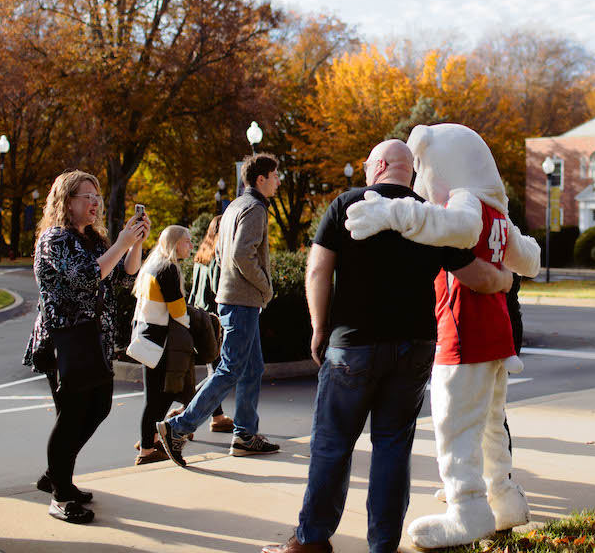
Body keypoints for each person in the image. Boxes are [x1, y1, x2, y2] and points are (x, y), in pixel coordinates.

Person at [261, 139, 513, 553]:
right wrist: (506, 278)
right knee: (393, 446)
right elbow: (479, 277)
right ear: (408, 172)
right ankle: (383, 544)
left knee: (332, 445)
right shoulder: (431, 218)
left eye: (367, 164)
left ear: (379, 166)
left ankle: (311, 540)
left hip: (351, 345)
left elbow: (318, 270)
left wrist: (319, 327)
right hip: (414, 348)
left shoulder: (346, 204)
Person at [23, 170, 149, 524]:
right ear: (67, 202)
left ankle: (55, 475)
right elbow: (86, 276)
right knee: (73, 415)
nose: (95, 203)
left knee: (99, 407)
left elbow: (124, 274)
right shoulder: (55, 239)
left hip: (94, 339)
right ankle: (61, 495)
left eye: (97, 196)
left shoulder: (92, 239)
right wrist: (121, 243)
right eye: (87, 196)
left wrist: (135, 242)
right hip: (66, 339)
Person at [158, 153, 281, 464]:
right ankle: (178, 427)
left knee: (252, 368)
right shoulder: (254, 208)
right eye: (275, 176)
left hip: (233, 298)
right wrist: (265, 286)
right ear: (261, 179)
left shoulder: (234, 207)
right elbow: (241, 255)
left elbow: (223, 253)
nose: (279, 182)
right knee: (231, 369)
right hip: (242, 300)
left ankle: (245, 436)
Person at [129, 225, 196, 465]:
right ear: (175, 243)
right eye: (187, 241)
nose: (191, 246)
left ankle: (149, 439)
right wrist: (192, 325)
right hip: (161, 342)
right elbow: (177, 311)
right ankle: (147, 449)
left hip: (146, 338)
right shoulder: (168, 269)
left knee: (156, 396)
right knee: (161, 396)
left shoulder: (152, 265)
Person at [187, 214, 234, 433]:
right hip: (214, 321)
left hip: (198, 316)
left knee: (214, 369)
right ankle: (186, 407)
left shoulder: (201, 257)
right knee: (219, 373)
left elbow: (194, 291)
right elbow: (218, 289)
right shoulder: (217, 257)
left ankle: (217, 416)